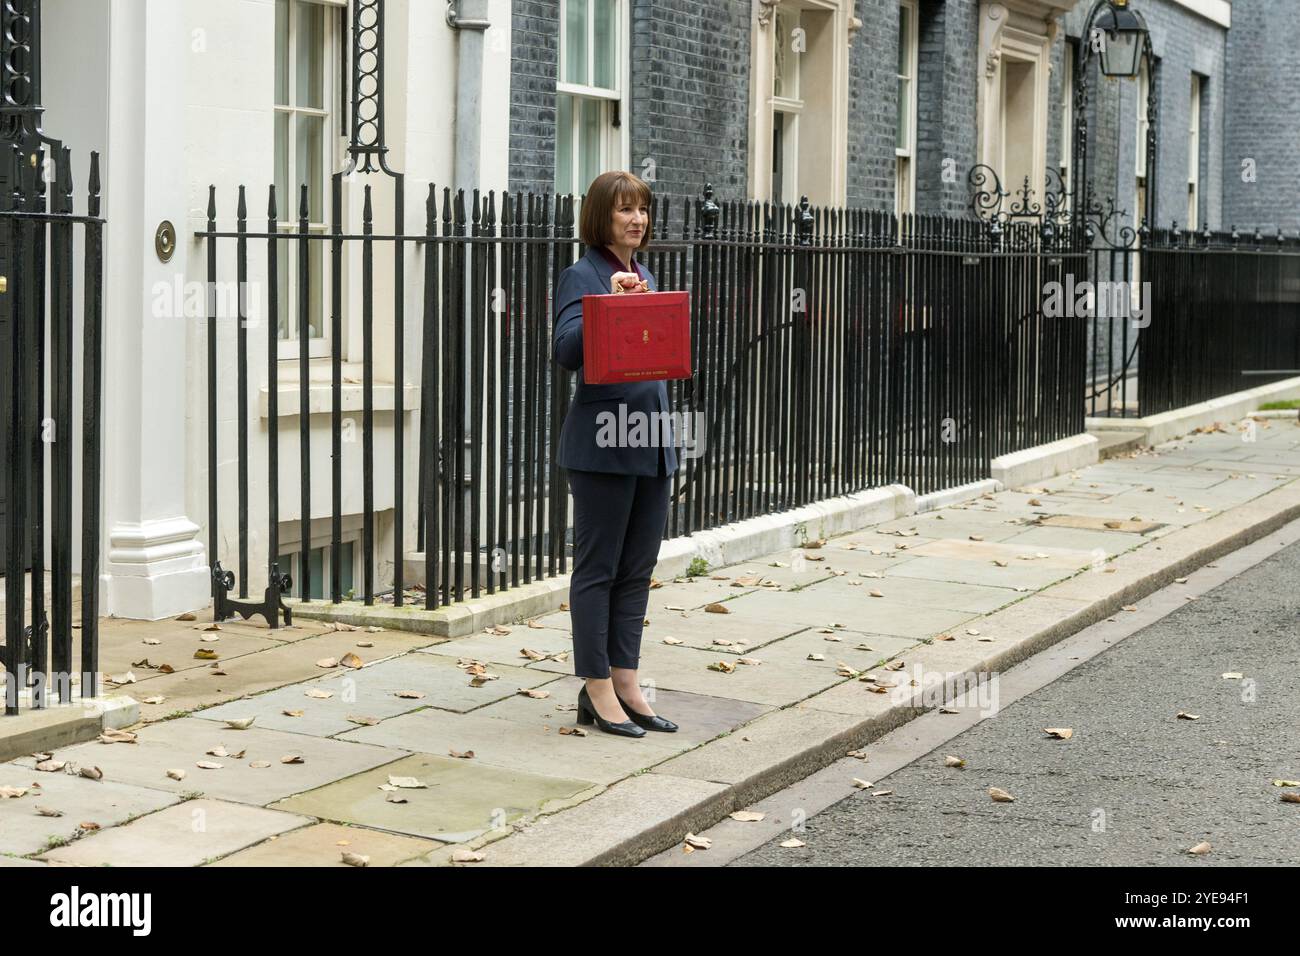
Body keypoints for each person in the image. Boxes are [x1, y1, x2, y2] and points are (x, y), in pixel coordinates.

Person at [551, 170, 680, 738]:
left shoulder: (643, 273)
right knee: (598, 570)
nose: (637, 219)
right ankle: (595, 687)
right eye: (625, 209)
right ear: (601, 216)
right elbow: (566, 351)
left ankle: (627, 681)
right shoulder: (583, 275)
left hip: (650, 443)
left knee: (637, 570)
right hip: (603, 444)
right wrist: (609, 301)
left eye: (644, 209)